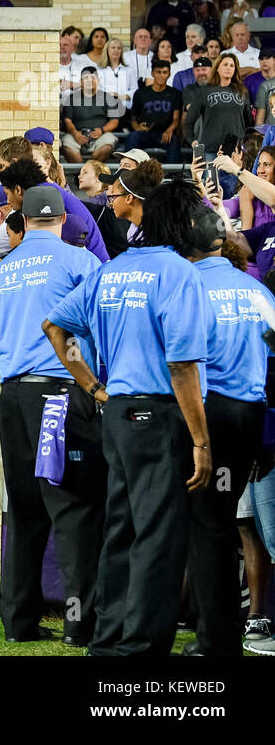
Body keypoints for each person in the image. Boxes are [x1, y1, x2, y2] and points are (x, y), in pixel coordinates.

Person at [44, 179, 212, 656]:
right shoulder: (178, 272)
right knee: (158, 535)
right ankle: (140, 647)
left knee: (120, 529)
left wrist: (92, 385)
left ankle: (108, 639)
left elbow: (55, 326)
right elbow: (182, 366)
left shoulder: (111, 269)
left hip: (115, 413)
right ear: (184, 224)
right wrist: (201, 441)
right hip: (158, 415)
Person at [0, 184, 106, 646]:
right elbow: (91, 325)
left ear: (24, 221)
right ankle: (80, 626)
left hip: (12, 400)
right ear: (61, 222)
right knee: (74, 510)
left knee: (26, 512)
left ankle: (18, 624)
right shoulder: (79, 261)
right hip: (62, 394)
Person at [183, 205, 273, 656]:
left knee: (209, 527)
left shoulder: (189, 287)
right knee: (223, 525)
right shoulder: (256, 289)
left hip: (208, 415)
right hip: (252, 416)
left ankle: (215, 639)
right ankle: (219, 634)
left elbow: (180, 361)